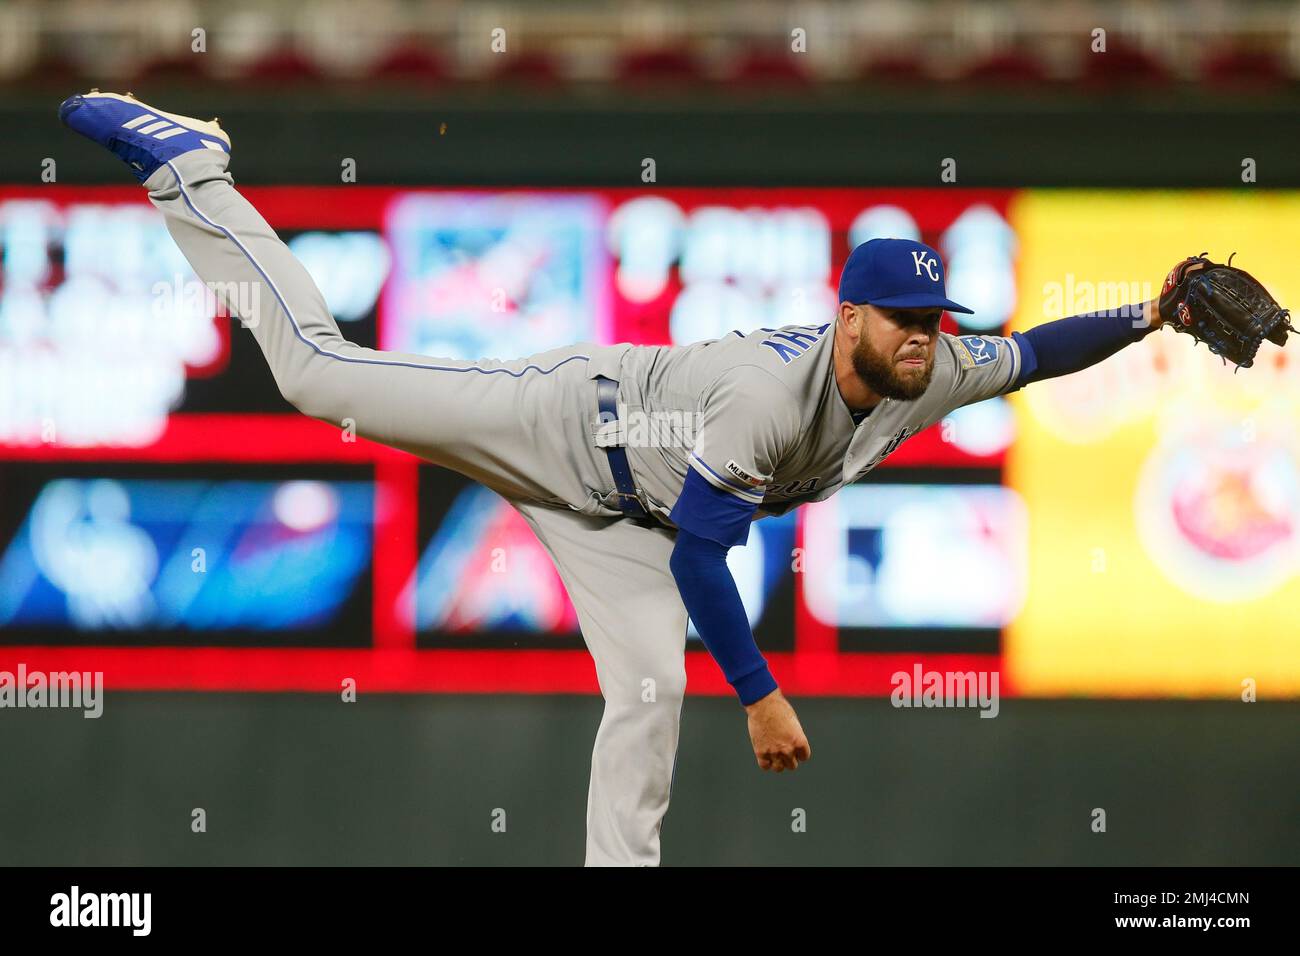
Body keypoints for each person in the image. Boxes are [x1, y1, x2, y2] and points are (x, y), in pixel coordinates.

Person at [59, 90, 1169, 866]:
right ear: (849, 318)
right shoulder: (765, 398)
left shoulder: (928, 370)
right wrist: (764, 691)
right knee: (314, 374)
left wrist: (1146, 312)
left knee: (648, 693)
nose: (926, 336)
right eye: (903, 319)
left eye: (935, 319)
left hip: (624, 516)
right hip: (560, 423)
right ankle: (187, 168)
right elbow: (701, 553)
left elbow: (1037, 349)